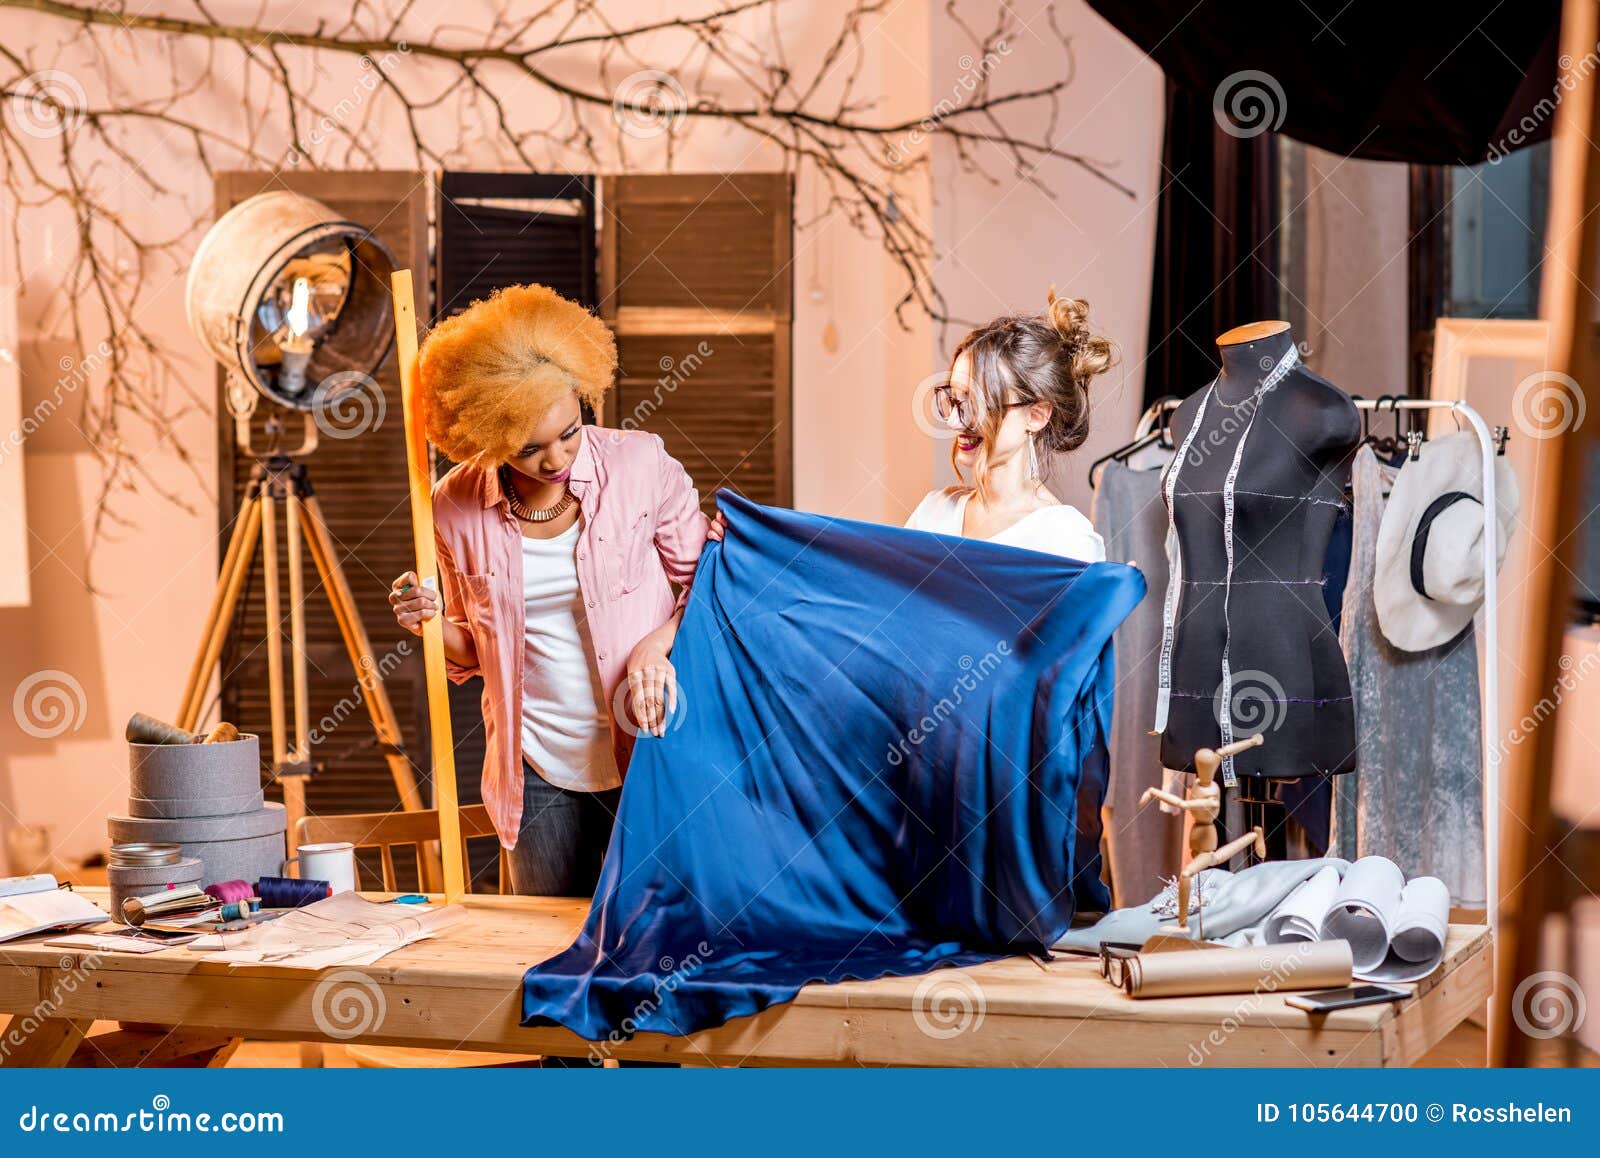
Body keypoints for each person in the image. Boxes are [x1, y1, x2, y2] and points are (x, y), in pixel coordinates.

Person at [387, 283, 709, 903]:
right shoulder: (454, 507)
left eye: (570, 431)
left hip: (651, 743)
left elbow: (709, 588)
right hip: (534, 765)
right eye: (528, 449)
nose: (556, 459)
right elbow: (474, 649)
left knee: (654, 934)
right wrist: (428, 622)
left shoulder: (641, 466)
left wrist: (655, 647)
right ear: (488, 438)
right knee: (543, 939)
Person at [708, 291, 1114, 558]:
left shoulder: (1066, 540)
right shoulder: (934, 514)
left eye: (976, 404)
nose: (954, 420)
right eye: (953, 398)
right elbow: (869, 600)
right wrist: (750, 548)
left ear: (1036, 415)